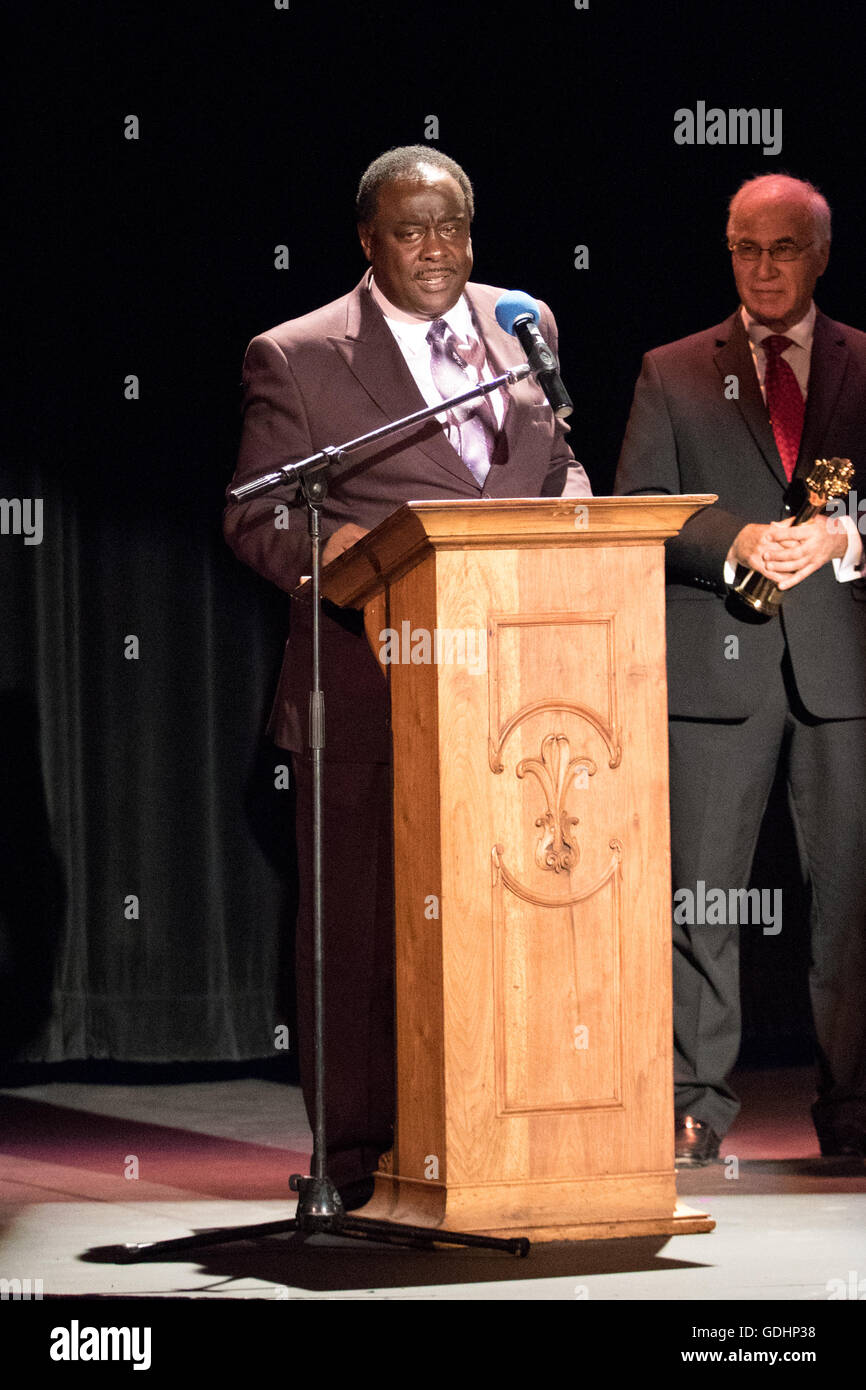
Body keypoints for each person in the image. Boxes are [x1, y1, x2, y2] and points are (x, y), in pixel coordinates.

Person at [224, 145, 591, 1203]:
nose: (436, 248)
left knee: (506, 925)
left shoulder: (526, 325)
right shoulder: (295, 355)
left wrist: (573, 504)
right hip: (367, 684)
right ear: (367, 240)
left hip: (517, 693)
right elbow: (255, 511)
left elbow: (552, 456)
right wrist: (330, 559)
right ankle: (351, 1162)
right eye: (411, 229)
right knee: (359, 944)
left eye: (452, 227)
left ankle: (497, 1140)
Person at [615, 173, 866, 1165]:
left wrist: (843, 540)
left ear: (819, 254)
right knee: (701, 900)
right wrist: (738, 537)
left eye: (782, 248)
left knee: (849, 905)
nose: (761, 268)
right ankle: (692, 1106)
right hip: (713, 678)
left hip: (841, 677)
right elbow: (638, 504)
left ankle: (851, 1107)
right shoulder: (671, 371)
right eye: (743, 248)